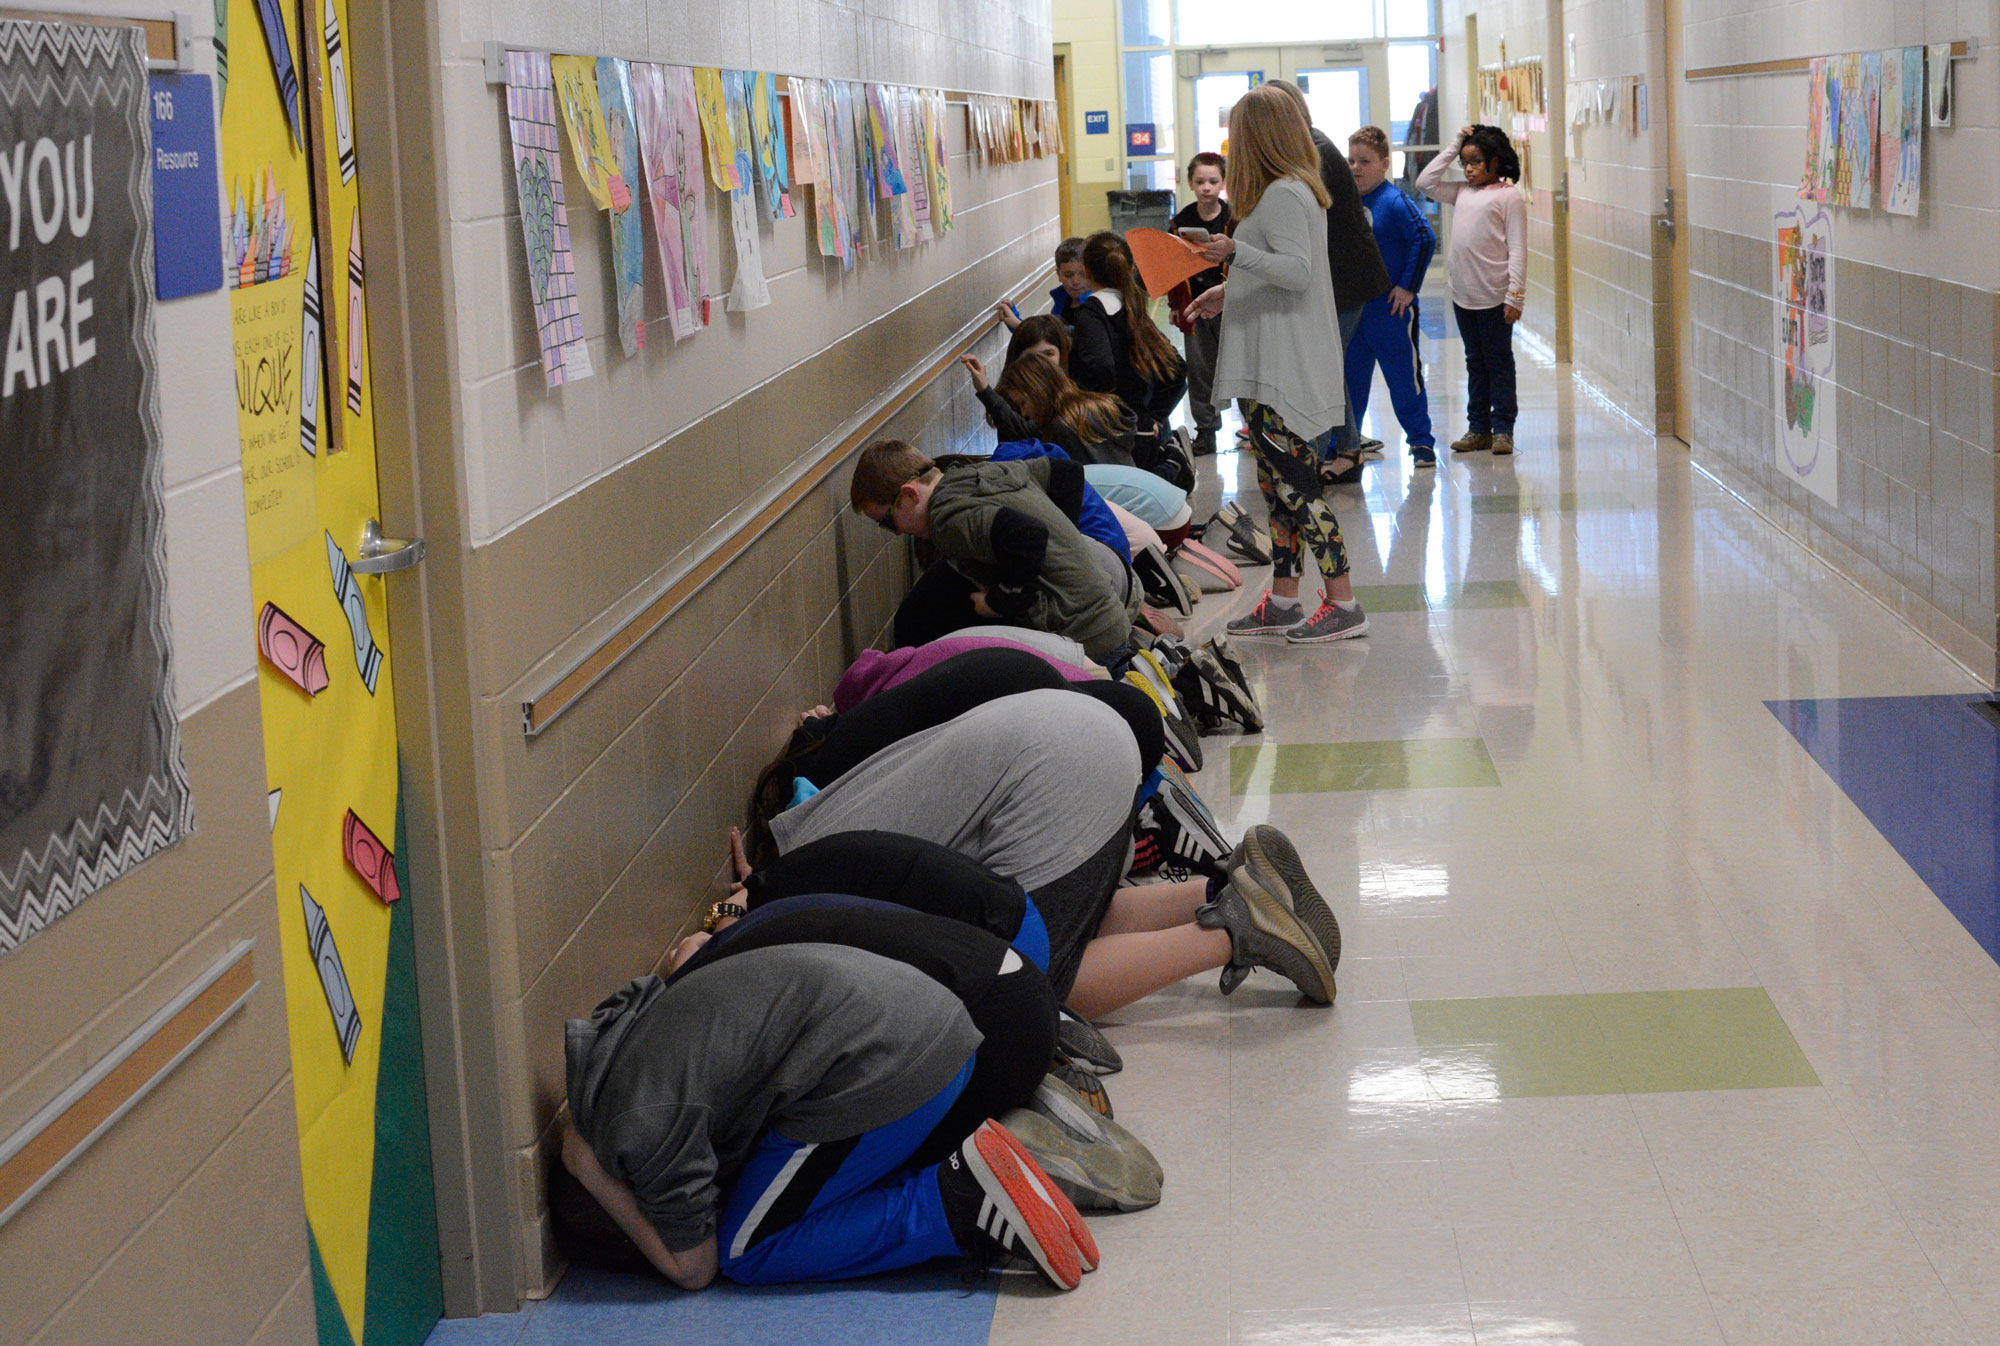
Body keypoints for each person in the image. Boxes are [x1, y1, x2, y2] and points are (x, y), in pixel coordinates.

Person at [762, 688, 1342, 1015]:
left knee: (1041, 979)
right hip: (1085, 731)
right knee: (1065, 920)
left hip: (1057, 775)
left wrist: (734, 908)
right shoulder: (822, 810)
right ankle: (1223, 889)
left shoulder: (801, 868)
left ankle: (1232, 929)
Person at [557, 947, 1094, 1290]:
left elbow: (693, 1269)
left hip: (887, 1065)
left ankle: (951, 1201)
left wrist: (588, 1170)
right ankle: (985, 1165)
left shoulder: (638, 1130)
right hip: (932, 1023)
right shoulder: (620, 1044)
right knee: (786, 1186)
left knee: (747, 1249)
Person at [1186, 85, 1370, 645]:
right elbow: (1278, 275)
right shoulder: (1278, 192)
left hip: (1286, 366)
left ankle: (1344, 603)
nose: (1230, 144)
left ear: (1258, 137)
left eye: (1237, 133)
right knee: (1276, 490)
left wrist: (1233, 252)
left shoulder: (1288, 193)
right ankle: (1285, 600)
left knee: (1299, 488)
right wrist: (1227, 290)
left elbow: (1297, 272)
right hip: (1269, 362)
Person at [852, 439, 1137, 661]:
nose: (898, 532)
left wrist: (1000, 600)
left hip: (1083, 637)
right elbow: (1067, 474)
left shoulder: (946, 518)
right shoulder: (981, 473)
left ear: (909, 494)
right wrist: (1064, 544)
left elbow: (1027, 535)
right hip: (1109, 615)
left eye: (888, 522)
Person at [1265, 78, 1393, 482]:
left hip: (1345, 281)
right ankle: (1347, 449)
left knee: (1318, 367)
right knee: (1325, 366)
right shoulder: (1307, 148)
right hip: (1335, 280)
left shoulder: (1315, 154)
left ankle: (1315, 455)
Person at [1416, 124, 1526, 456]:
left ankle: (1503, 428)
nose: (1468, 169)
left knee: (1498, 363)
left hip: (1495, 296)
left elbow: (1518, 249)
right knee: (1474, 362)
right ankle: (1478, 428)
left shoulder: (1508, 197)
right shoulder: (1462, 191)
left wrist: (1515, 295)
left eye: (1476, 161)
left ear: (1496, 161)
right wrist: (1455, 143)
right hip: (1463, 296)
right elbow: (1424, 183)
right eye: (1465, 161)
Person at [1346, 126, 1439, 469]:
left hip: (1391, 311)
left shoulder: (1394, 200)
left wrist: (1407, 286)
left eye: (1365, 161)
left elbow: (1424, 238)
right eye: (1352, 160)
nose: (1356, 167)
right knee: (1351, 383)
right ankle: (1346, 444)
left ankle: (1421, 442)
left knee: (1403, 379)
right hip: (1356, 313)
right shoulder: (1345, 202)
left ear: (1384, 164)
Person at [1068, 232, 1188, 451]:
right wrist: (1154, 416)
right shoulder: (1133, 309)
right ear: (1129, 269)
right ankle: (1172, 461)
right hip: (1141, 428)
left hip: (1112, 431)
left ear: (1086, 270)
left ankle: (1173, 464)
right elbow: (1178, 370)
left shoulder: (1090, 315)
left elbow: (1102, 367)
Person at [960, 349, 1139, 468]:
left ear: (1037, 390)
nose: (1024, 413)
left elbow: (1084, 485)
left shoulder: (1064, 426)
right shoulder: (1094, 404)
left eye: (1023, 403)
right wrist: (984, 388)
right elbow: (1021, 428)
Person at [1168, 151, 1230, 456]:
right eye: (1200, 181)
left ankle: (1254, 428)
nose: (1206, 187)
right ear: (1191, 183)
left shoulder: (1233, 217)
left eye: (1213, 181)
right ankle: (1206, 430)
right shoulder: (1181, 221)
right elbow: (1172, 266)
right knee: (1199, 368)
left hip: (1231, 302)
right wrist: (1175, 305)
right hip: (1194, 305)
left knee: (1239, 364)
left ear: (1223, 183)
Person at [1001, 236, 1093, 330]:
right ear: (1058, 274)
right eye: (1068, 275)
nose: (1075, 281)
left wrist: (1019, 326)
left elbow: (1067, 337)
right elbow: (1049, 337)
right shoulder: (1062, 300)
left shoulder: (1096, 307)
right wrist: (1016, 321)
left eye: (1083, 274)